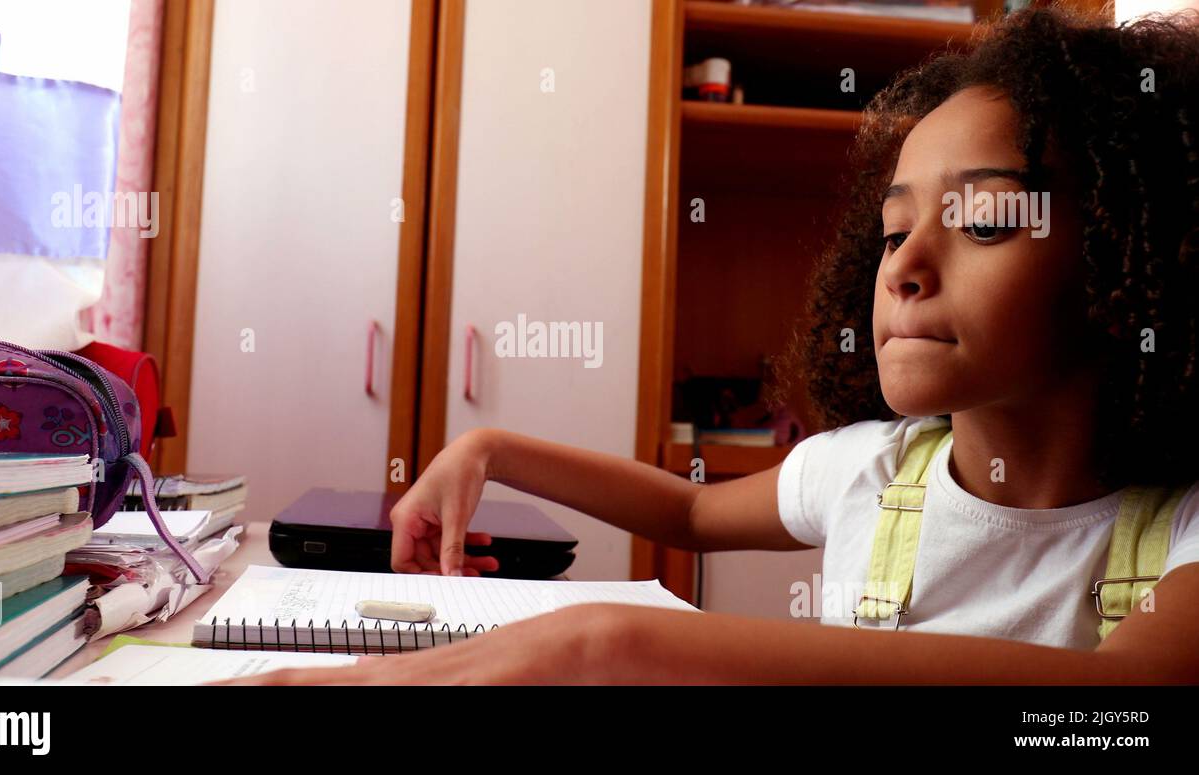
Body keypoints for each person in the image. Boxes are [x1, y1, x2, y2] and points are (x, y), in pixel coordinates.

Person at [228, 8, 1199, 685]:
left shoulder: (1182, 533)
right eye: (894, 230)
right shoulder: (870, 472)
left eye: (986, 220)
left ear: (1131, 250)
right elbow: (686, 509)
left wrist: (617, 647)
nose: (903, 268)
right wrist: (490, 449)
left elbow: (1121, 704)